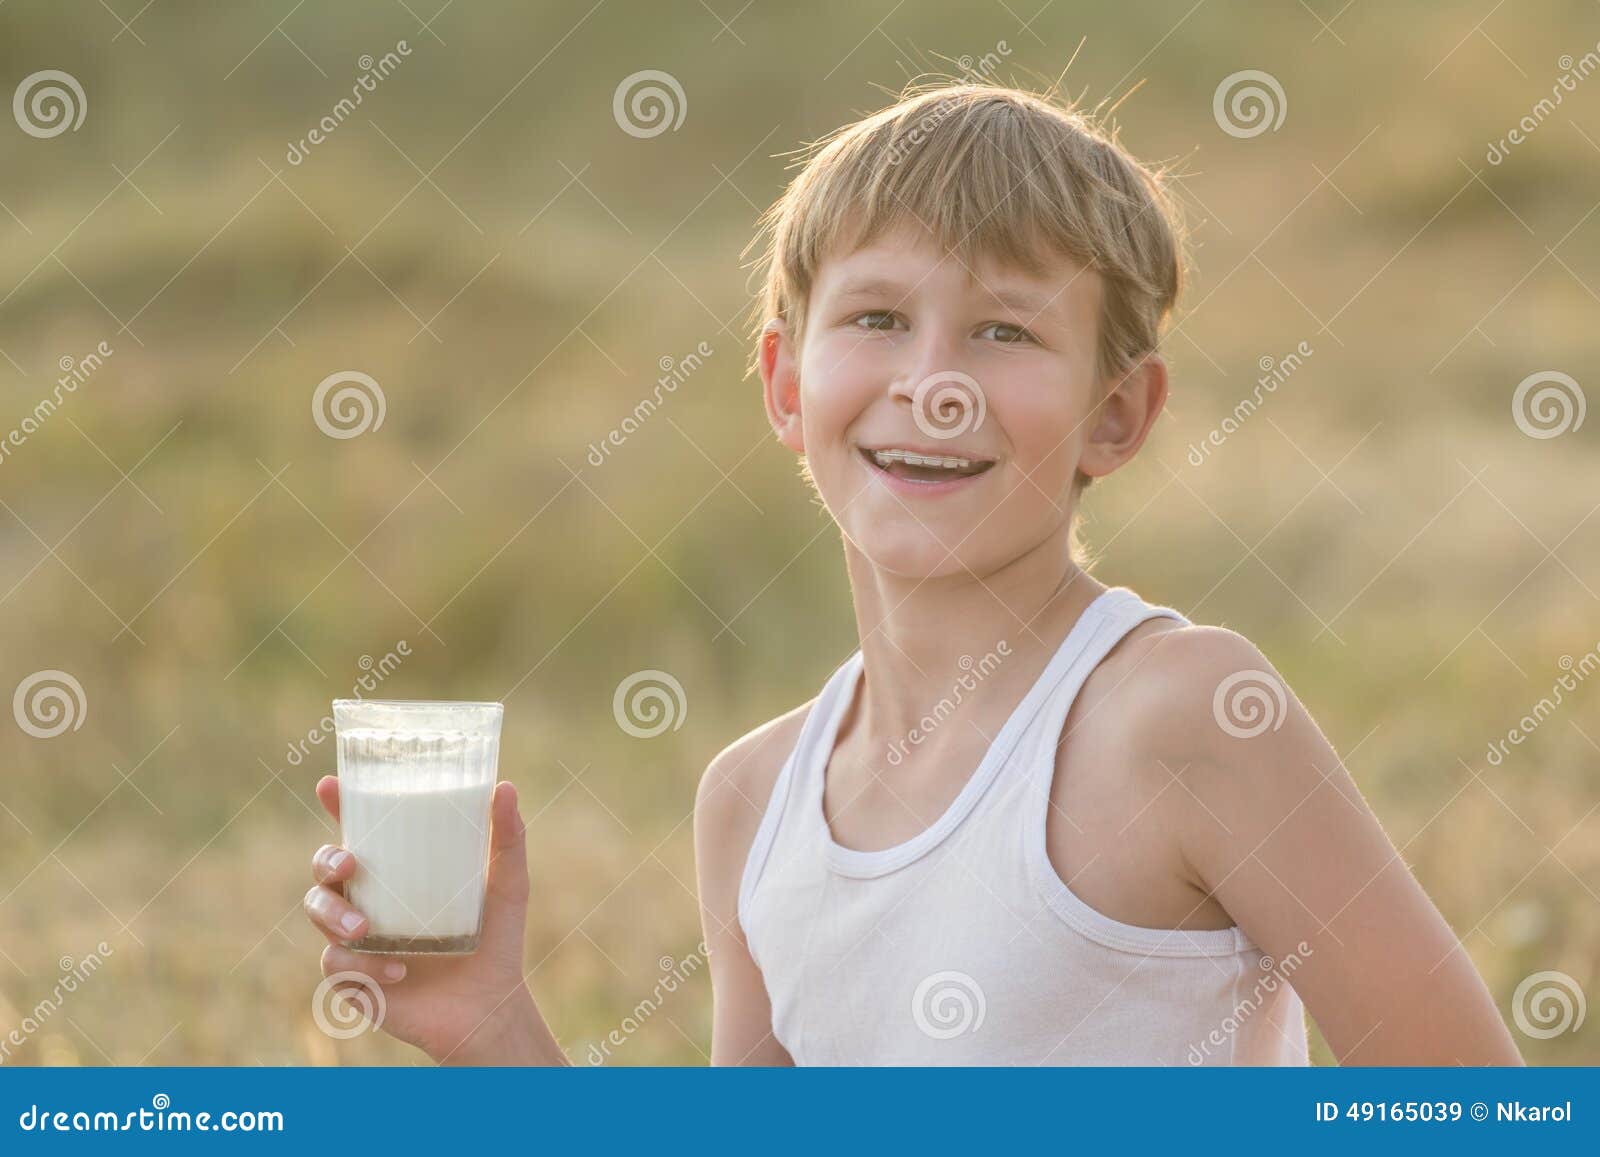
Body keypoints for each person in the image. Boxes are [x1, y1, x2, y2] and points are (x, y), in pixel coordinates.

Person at [303, 82, 1523, 1066]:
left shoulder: (1184, 715)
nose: (930, 381)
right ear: (786, 384)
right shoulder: (752, 800)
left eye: (1004, 330)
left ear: (1115, 413)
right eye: (877, 319)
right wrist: (492, 1027)